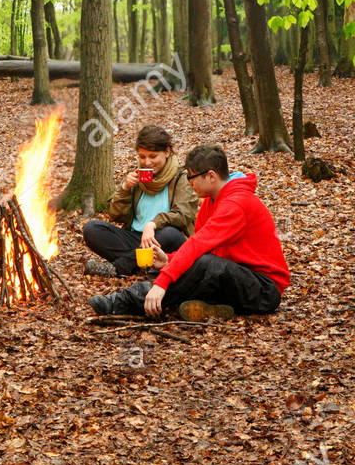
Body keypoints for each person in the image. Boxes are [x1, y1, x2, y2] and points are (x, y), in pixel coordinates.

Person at [90, 143, 290, 321]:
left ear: (210, 176)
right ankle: (213, 310)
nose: (188, 182)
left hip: (263, 290)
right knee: (201, 266)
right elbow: (198, 247)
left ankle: (125, 302)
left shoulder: (237, 204)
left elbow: (199, 246)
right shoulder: (211, 202)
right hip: (235, 279)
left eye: (191, 176)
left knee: (206, 264)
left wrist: (162, 282)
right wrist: (169, 260)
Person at [82, 124, 198, 276]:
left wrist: (153, 224)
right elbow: (115, 215)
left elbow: (183, 215)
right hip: (136, 237)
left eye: (153, 156)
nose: (147, 162)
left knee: (169, 234)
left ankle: (120, 268)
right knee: (91, 228)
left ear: (167, 152)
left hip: (162, 239)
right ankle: (140, 262)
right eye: (142, 157)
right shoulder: (137, 177)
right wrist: (125, 189)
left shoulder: (181, 178)